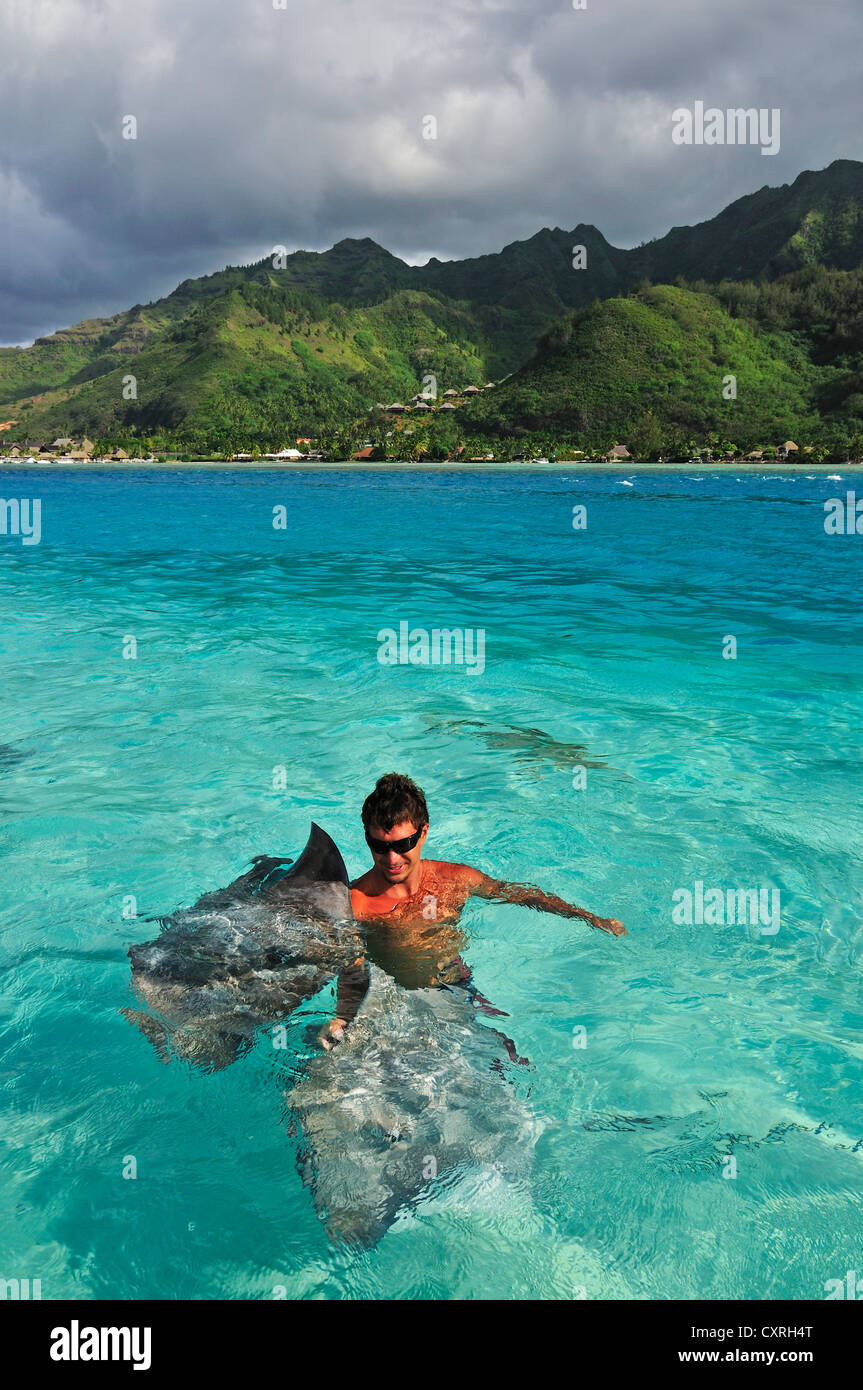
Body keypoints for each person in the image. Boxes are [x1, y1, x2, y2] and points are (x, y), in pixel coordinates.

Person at [319, 772, 625, 1049]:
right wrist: (343, 1019)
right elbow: (353, 971)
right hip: (406, 1001)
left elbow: (520, 895)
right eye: (380, 846)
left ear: (423, 833)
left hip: (460, 985)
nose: (392, 857)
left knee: (507, 1054)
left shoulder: (456, 881)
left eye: (403, 844)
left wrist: (588, 917)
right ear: (367, 840)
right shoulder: (356, 904)